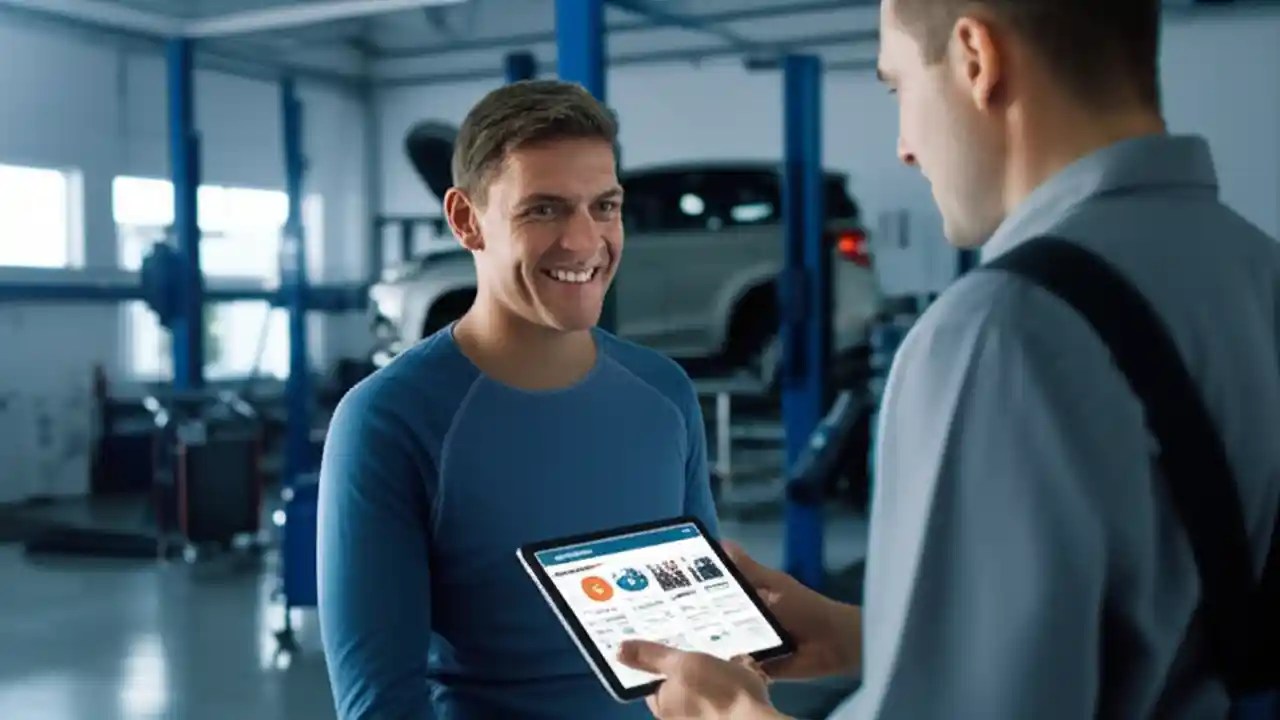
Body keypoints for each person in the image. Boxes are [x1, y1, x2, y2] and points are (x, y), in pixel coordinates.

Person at [618, 0, 1280, 717]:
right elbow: (1188, 625)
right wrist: (870, 637)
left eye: (898, 86)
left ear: (975, 59)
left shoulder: (1004, 329)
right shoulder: (1253, 268)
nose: (904, 145)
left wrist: (729, 711)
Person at [317, 79, 720, 719]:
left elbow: (702, 648)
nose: (585, 242)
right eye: (544, 209)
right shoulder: (389, 420)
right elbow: (381, 705)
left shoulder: (664, 394)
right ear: (465, 220)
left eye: (604, 207)